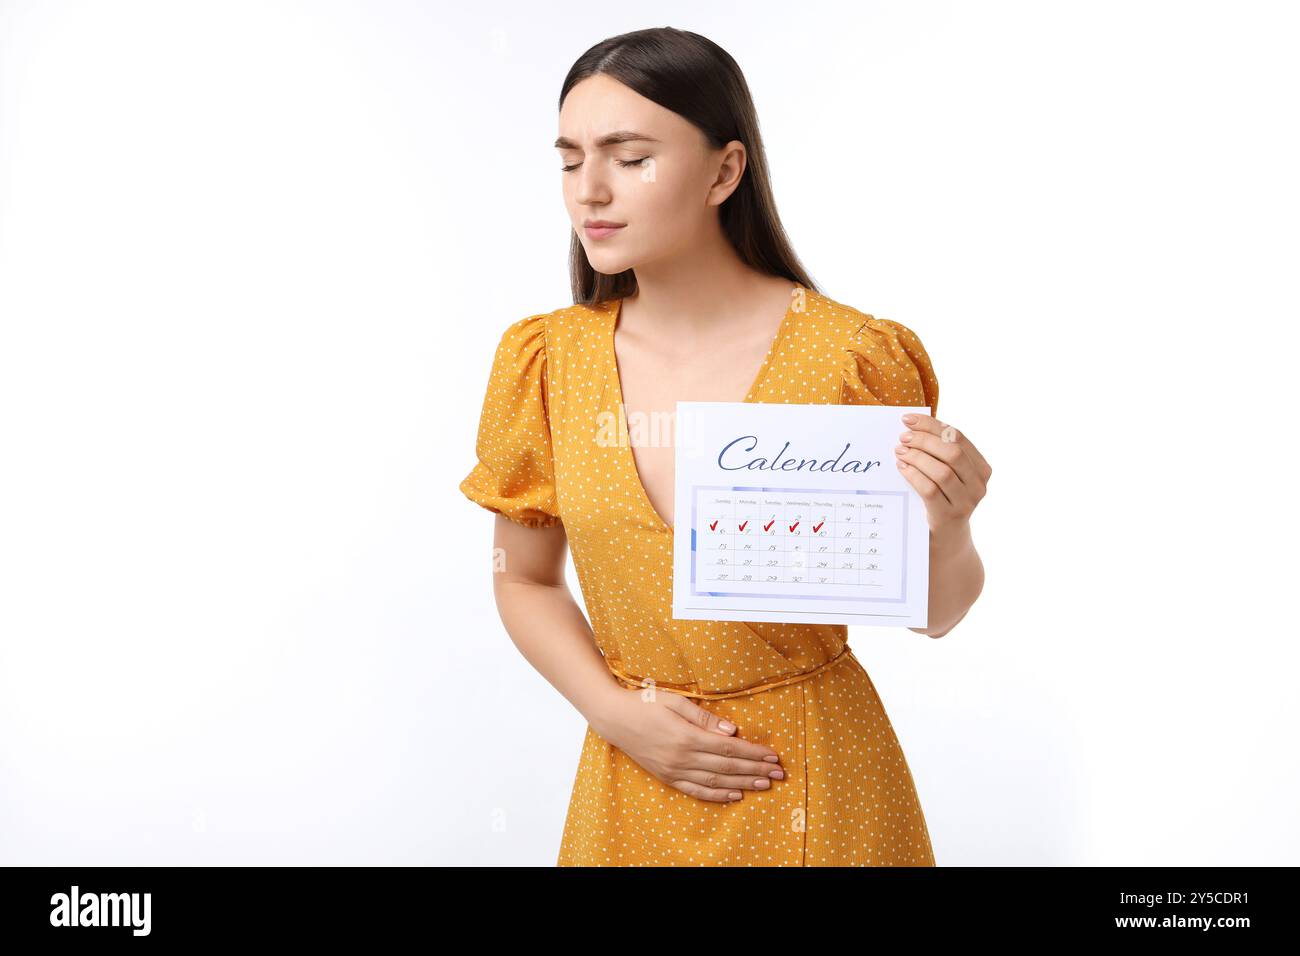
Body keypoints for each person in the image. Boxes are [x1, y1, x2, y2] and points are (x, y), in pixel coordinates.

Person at [458, 26, 990, 866]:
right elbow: (521, 577)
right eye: (569, 160)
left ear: (725, 171)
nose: (589, 190)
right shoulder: (547, 362)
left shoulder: (851, 361)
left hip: (825, 783)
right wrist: (614, 711)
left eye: (629, 158)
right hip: (632, 777)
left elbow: (935, 611)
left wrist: (950, 527)